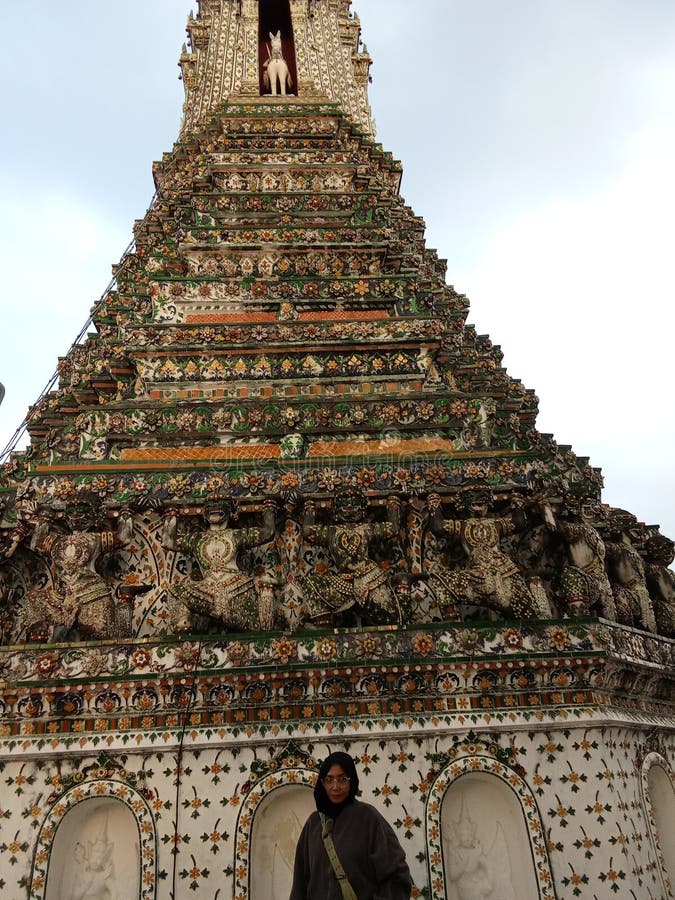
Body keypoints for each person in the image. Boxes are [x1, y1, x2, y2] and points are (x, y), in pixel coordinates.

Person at [289, 751, 412, 900]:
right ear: (322, 782)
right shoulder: (313, 825)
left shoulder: (368, 818)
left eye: (342, 779)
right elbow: (300, 884)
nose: (335, 787)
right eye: (329, 779)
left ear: (351, 781)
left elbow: (397, 876)